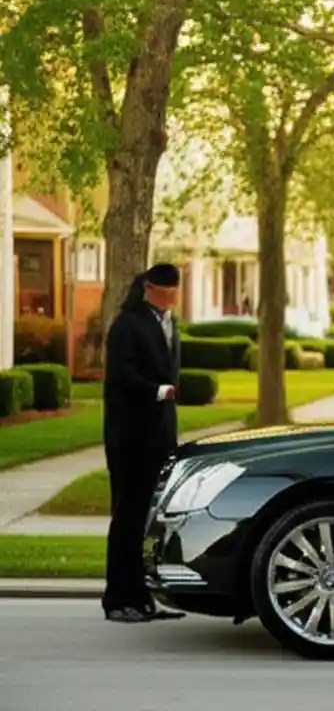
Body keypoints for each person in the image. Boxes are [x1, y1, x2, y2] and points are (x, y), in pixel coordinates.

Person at [101, 263, 186, 623]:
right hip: (131, 436)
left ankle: (147, 594)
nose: (171, 299)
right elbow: (121, 374)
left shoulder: (169, 324)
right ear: (149, 288)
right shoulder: (128, 324)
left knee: (153, 519)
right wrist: (156, 390)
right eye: (165, 292)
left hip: (161, 434)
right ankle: (119, 597)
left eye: (175, 293)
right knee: (128, 516)